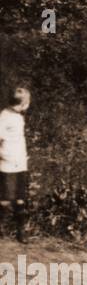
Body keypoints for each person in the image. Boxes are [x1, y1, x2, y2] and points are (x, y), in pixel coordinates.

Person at [0, 87, 30, 242]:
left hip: (20, 162)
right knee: (5, 197)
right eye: (28, 102)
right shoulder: (5, 116)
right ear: (24, 103)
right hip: (7, 162)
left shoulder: (19, 116)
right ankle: (2, 229)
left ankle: (21, 232)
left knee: (20, 198)